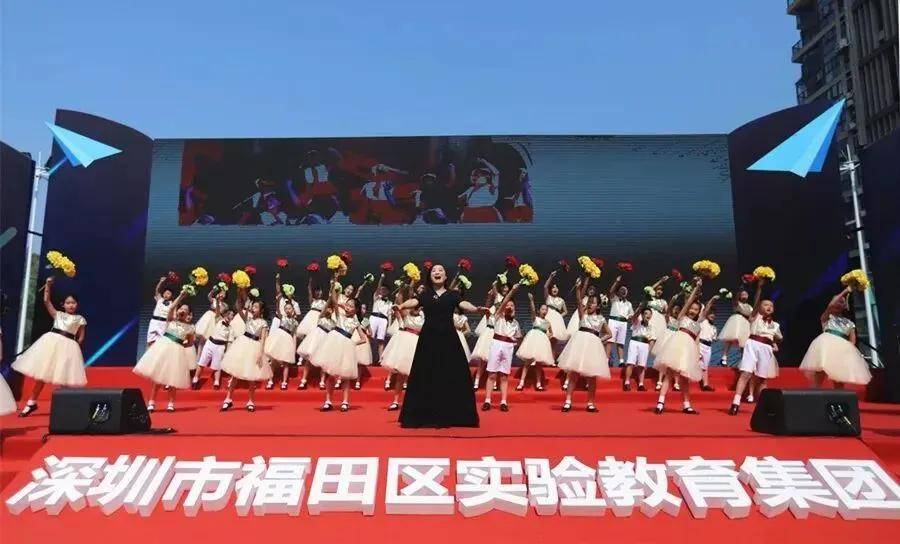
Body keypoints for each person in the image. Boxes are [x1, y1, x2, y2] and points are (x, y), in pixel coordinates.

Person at [398, 264, 488, 428]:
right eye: (434, 271)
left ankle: (455, 415)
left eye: (440, 271)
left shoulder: (453, 295)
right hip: (428, 339)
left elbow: (464, 304)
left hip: (449, 339)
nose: (437, 272)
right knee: (424, 373)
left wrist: (476, 309)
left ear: (446, 277)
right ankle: (422, 416)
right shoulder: (426, 294)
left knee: (453, 373)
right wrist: (402, 306)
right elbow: (414, 301)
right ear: (430, 276)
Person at [13, 277, 87, 417]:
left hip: (69, 347)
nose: (71, 305)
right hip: (52, 344)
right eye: (68, 303)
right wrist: (48, 285)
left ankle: (66, 406)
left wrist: (75, 350)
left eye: (73, 303)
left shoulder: (80, 319)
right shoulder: (57, 314)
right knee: (42, 375)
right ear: (63, 305)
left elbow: (81, 337)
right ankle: (31, 403)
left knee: (64, 378)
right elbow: (46, 301)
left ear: (77, 304)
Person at [133, 289, 195, 412]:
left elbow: (191, 342)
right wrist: (181, 296)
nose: (183, 310)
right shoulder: (171, 319)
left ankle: (171, 403)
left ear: (188, 313)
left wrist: (182, 344)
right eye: (181, 308)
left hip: (177, 351)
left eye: (185, 309)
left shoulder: (190, 328)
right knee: (158, 377)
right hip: (164, 348)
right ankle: (151, 402)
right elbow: (171, 308)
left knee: (172, 378)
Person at [799, 287, 872, 388]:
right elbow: (831, 304)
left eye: (841, 302)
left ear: (845, 305)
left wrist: (847, 354)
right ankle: (815, 392)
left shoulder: (849, 323)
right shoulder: (827, 317)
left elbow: (852, 341)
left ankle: (839, 395)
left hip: (840, 352)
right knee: (820, 371)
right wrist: (846, 291)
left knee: (838, 377)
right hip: (825, 348)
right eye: (837, 301)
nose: (838, 303)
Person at [653, 278, 706, 415]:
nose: (693, 311)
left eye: (696, 309)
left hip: (687, 351)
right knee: (669, 375)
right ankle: (660, 402)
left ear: (699, 312)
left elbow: (697, 342)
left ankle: (686, 405)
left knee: (684, 379)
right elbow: (688, 301)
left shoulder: (698, 326)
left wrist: (697, 356)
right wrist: (696, 287)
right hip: (676, 347)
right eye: (691, 308)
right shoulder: (682, 317)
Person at [558, 278, 611, 412]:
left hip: (592, 346)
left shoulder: (601, 319)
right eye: (589, 302)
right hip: (580, 344)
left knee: (592, 376)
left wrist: (599, 340)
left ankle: (590, 403)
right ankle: (568, 401)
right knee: (574, 373)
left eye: (593, 303)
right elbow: (578, 301)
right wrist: (577, 289)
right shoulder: (583, 315)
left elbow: (609, 334)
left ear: (598, 306)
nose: (590, 304)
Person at [729, 279, 782, 415]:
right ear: (759, 307)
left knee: (762, 378)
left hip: (766, 349)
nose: (768, 307)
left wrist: (774, 341)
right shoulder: (755, 317)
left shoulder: (775, 325)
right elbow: (756, 301)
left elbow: (779, 337)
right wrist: (759, 288)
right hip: (752, 345)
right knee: (746, 373)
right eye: (765, 305)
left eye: (771, 305)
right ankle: (735, 403)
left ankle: (763, 406)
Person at [315, 288, 366, 412]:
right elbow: (334, 301)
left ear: (356, 309)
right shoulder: (339, 315)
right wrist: (334, 286)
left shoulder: (356, 322)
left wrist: (352, 343)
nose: (348, 307)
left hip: (346, 348)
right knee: (330, 374)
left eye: (351, 306)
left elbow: (363, 339)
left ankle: (345, 401)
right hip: (334, 345)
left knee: (345, 377)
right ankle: (328, 401)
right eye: (347, 305)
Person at [220, 290, 270, 412]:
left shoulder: (263, 323)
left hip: (254, 347)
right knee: (235, 374)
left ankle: (251, 401)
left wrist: (261, 354)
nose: (253, 308)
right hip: (242, 345)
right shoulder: (248, 318)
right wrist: (239, 293)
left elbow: (263, 339)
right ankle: (228, 399)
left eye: (256, 307)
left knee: (251, 377)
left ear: (261, 310)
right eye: (253, 306)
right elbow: (238, 308)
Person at [482, 283, 523, 412]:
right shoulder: (498, 316)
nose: (510, 307)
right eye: (508, 305)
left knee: (504, 376)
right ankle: (487, 400)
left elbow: (519, 338)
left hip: (508, 348)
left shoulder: (516, 323)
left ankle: (503, 402)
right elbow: (504, 301)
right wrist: (512, 291)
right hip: (496, 344)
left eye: (512, 305)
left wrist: (515, 341)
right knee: (492, 374)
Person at [381, 303, 425, 411]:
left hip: (417, 344)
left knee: (417, 376)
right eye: (414, 306)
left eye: (419, 307)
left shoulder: (424, 317)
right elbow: (397, 308)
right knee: (400, 376)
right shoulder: (406, 314)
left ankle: (415, 403)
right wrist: (398, 306)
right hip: (405, 344)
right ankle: (395, 401)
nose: (416, 308)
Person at [265, 276, 300, 390]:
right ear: (284, 310)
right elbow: (278, 304)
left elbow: (294, 334)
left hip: (287, 339)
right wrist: (277, 282)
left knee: (285, 362)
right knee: (274, 360)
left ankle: (284, 382)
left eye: (290, 308)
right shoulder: (282, 317)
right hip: (279, 337)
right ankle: (270, 380)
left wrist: (293, 346)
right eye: (286, 309)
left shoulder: (295, 322)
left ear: (293, 310)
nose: (288, 310)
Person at [515, 292, 554, 391]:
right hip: (533, 340)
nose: (544, 311)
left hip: (541, 342)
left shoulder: (548, 322)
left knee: (539, 364)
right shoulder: (535, 318)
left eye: (546, 309)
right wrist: (531, 300)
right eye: (542, 309)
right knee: (528, 362)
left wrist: (547, 337)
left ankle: (538, 383)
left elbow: (551, 333)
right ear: (539, 310)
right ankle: (521, 383)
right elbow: (532, 310)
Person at [192, 305, 233, 389]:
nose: (229, 316)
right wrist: (217, 301)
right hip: (210, 343)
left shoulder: (231, 329)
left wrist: (226, 352)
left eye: (232, 315)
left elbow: (229, 342)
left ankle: (216, 381)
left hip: (220, 346)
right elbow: (217, 311)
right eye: (228, 314)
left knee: (217, 365)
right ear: (224, 314)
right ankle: (196, 378)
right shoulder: (218, 320)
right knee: (202, 361)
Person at [622, 304, 655, 391]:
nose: (648, 315)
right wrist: (640, 308)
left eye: (650, 314)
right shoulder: (637, 321)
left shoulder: (651, 326)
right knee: (631, 363)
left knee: (642, 365)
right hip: (634, 342)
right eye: (646, 313)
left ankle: (641, 384)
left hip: (645, 345)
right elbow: (634, 316)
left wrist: (649, 350)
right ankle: (627, 382)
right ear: (642, 314)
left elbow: (652, 339)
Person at [718, 287, 752, 366]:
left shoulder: (750, 307)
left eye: (746, 294)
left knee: (744, 342)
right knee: (730, 338)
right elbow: (735, 298)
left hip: (745, 323)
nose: (744, 295)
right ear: (739, 295)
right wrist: (740, 289)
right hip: (736, 321)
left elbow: (751, 317)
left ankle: (743, 360)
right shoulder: (737, 303)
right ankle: (724, 357)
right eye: (742, 294)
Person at [606, 276, 634, 367]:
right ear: (618, 291)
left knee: (620, 342)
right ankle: (606, 360)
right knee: (610, 341)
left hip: (623, 323)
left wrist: (630, 317)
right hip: (613, 321)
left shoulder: (629, 304)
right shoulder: (614, 299)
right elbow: (611, 291)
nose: (623, 291)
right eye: (621, 290)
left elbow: (631, 315)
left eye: (625, 290)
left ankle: (621, 361)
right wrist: (616, 281)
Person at [697, 296, 720, 391]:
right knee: (695, 362)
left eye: (714, 314)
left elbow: (714, 339)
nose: (712, 315)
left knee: (705, 366)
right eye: (710, 313)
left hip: (708, 347)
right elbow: (706, 310)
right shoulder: (703, 321)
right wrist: (712, 300)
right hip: (700, 344)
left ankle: (705, 384)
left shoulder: (714, 328)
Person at [369, 273, 393, 361]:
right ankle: (367, 356)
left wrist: (389, 326)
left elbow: (389, 315)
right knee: (369, 336)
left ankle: (380, 359)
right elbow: (378, 287)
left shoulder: (390, 303)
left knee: (381, 340)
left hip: (383, 320)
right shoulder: (376, 297)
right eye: (382, 289)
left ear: (388, 292)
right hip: (374, 318)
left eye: (385, 290)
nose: (383, 291)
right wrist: (381, 278)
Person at [147, 276, 174, 346]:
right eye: (165, 293)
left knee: (161, 343)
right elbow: (157, 290)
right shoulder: (159, 299)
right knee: (150, 341)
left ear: (171, 295)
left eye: (168, 293)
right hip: (154, 321)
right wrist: (161, 282)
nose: (166, 295)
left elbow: (173, 315)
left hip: (163, 323)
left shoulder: (172, 304)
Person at [543, 271, 569, 343]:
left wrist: (559, 316)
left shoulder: (561, 300)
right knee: (547, 336)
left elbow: (565, 311)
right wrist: (551, 276)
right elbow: (545, 286)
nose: (555, 289)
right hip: (548, 317)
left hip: (557, 320)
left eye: (556, 287)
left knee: (556, 337)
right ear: (550, 289)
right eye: (553, 287)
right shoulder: (548, 297)